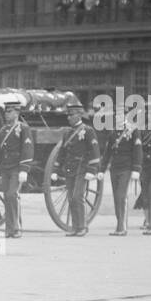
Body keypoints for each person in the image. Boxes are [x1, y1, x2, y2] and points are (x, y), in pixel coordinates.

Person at [0, 100, 33, 238]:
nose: (7, 114)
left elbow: (27, 149)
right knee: (7, 197)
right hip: (5, 168)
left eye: (10, 111)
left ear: (17, 112)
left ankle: (17, 227)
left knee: (13, 195)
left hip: (16, 168)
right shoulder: (3, 130)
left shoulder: (24, 129)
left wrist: (24, 169)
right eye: (6, 112)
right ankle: (9, 229)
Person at [55, 101, 100, 236]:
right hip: (70, 169)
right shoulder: (67, 133)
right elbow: (62, 153)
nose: (69, 117)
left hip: (82, 169)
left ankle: (82, 227)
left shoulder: (88, 131)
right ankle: (75, 227)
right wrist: (55, 170)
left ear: (79, 116)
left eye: (72, 115)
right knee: (71, 198)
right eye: (68, 115)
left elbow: (95, 151)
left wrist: (92, 170)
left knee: (77, 197)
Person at [102, 112, 142, 236]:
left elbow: (137, 151)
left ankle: (122, 227)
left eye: (121, 116)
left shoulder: (133, 131)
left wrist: (136, 169)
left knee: (121, 196)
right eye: (116, 117)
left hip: (127, 168)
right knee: (116, 198)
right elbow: (107, 153)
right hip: (115, 168)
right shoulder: (113, 133)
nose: (118, 118)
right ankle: (120, 224)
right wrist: (101, 170)